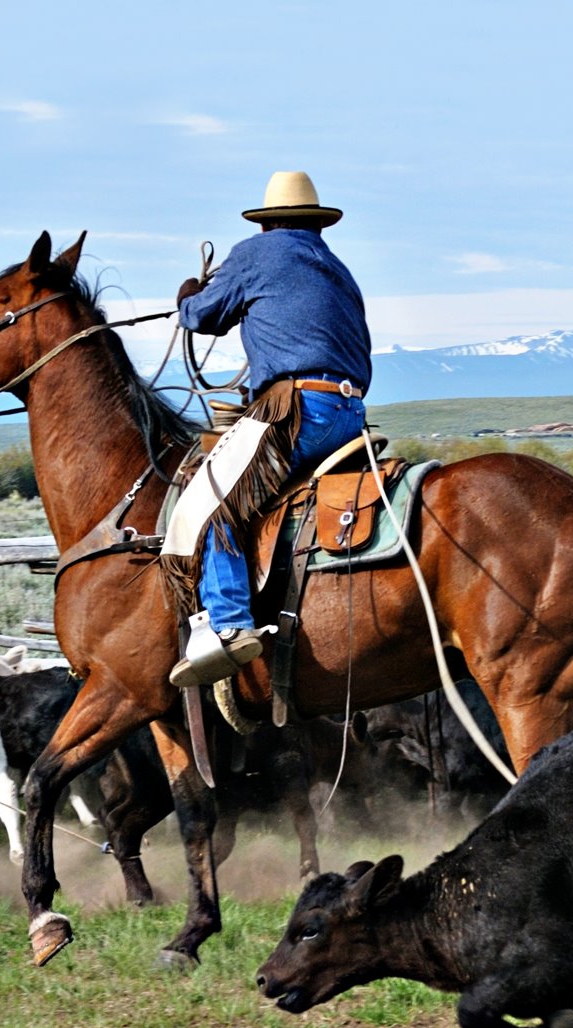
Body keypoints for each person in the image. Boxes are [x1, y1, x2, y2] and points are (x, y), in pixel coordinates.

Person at [164, 170, 374, 689]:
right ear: (317, 223)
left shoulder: (258, 253)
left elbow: (201, 316)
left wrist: (188, 293)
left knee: (213, 498)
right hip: (351, 413)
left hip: (297, 408)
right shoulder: (337, 268)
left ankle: (231, 626)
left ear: (267, 222)